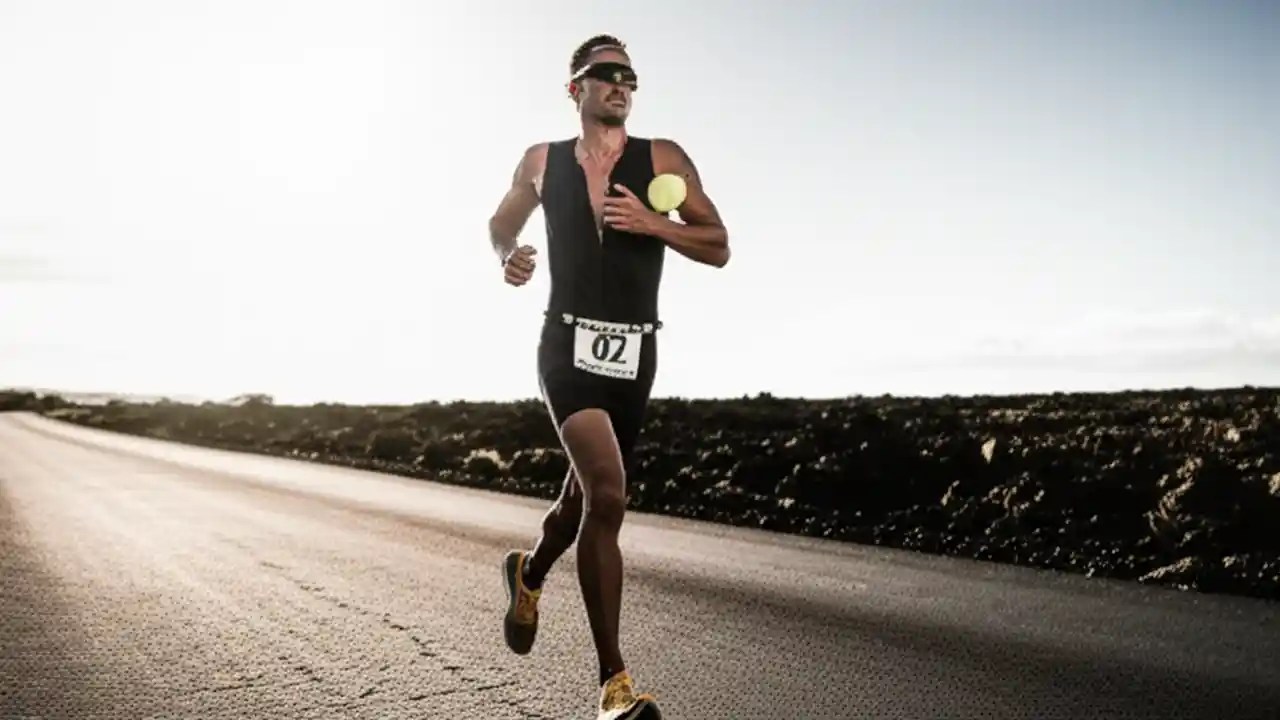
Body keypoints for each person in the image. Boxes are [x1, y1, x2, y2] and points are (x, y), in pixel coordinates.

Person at [486, 34, 730, 720]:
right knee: (610, 495)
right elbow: (501, 221)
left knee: (580, 504)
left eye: (629, 76)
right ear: (577, 88)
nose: (621, 84)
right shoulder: (543, 161)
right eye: (606, 74)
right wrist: (509, 255)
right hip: (564, 348)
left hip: (633, 356)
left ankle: (528, 574)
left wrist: (658, 224)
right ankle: (613, 686)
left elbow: (719, 246)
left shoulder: (665, 159)